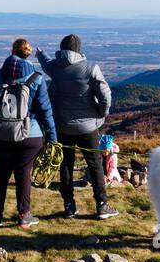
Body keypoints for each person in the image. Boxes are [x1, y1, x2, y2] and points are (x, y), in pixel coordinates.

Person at [35, 34, 118, 219]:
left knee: (65, 165)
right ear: (79, 49)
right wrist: (100, 113)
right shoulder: (90, 68)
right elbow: (106, 95)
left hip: (63, 126)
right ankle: (102, 205)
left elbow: (45, 63)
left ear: (62, 49)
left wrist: (39, 54)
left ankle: (69, 206)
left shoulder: (55, 68)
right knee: (95, 164)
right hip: (88, 128)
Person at [0, 38, 56, 230]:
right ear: (28, 54)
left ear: (12, 52)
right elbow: (45, 111)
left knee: (0, 177)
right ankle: (23, 216)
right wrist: (52, 137)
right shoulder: (36, 78)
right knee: (23, 175)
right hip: (29, 135)